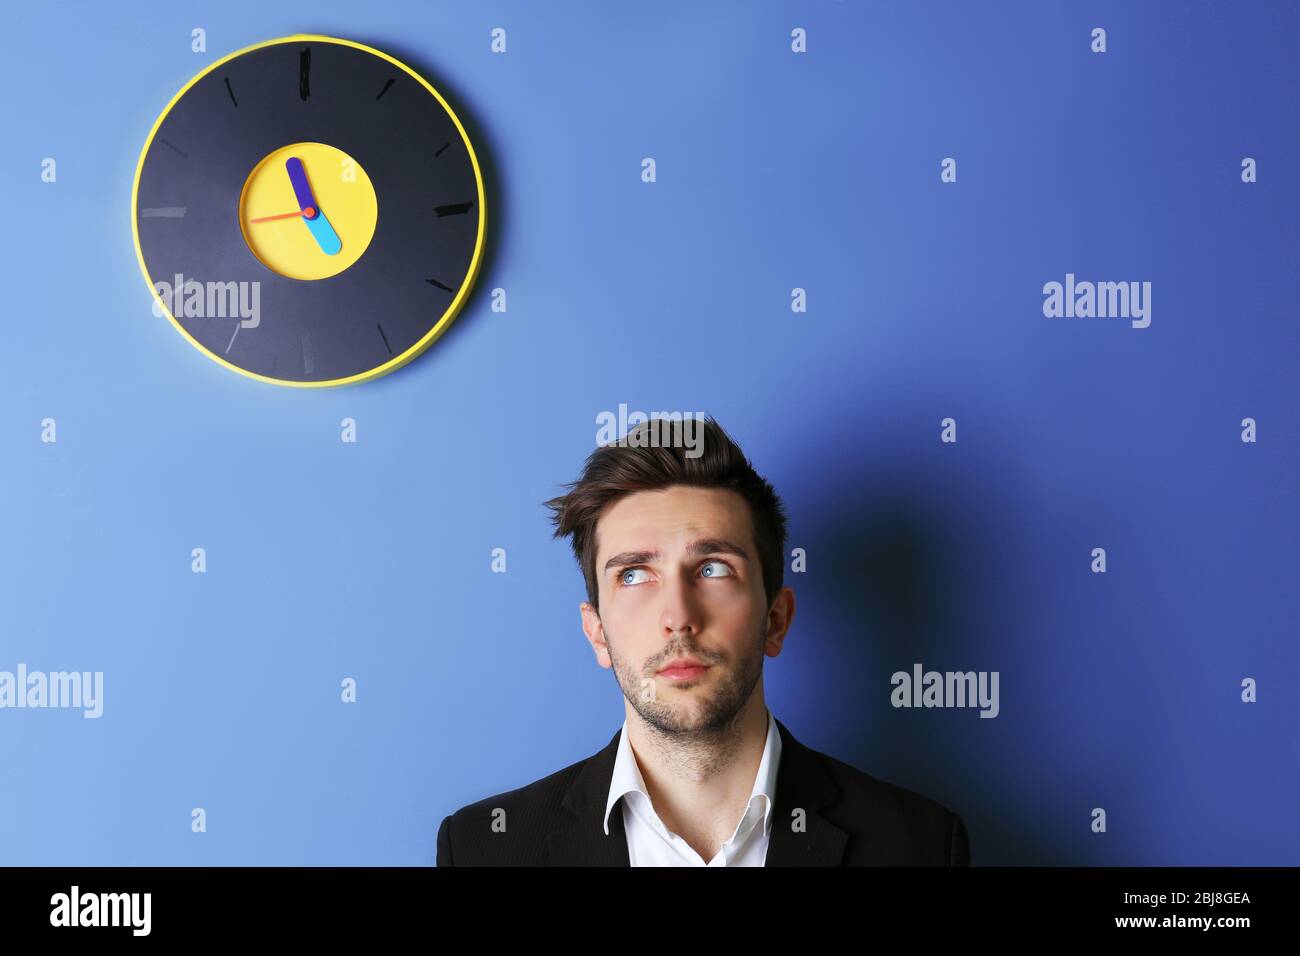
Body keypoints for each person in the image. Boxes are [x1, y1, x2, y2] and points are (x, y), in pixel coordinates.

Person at [437, 415, 970, 866]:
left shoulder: (920, 846)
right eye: (633, 574)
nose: (678, 617)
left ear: (776, 619)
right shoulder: (484, 850)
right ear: (596, 632)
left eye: (713, 568)